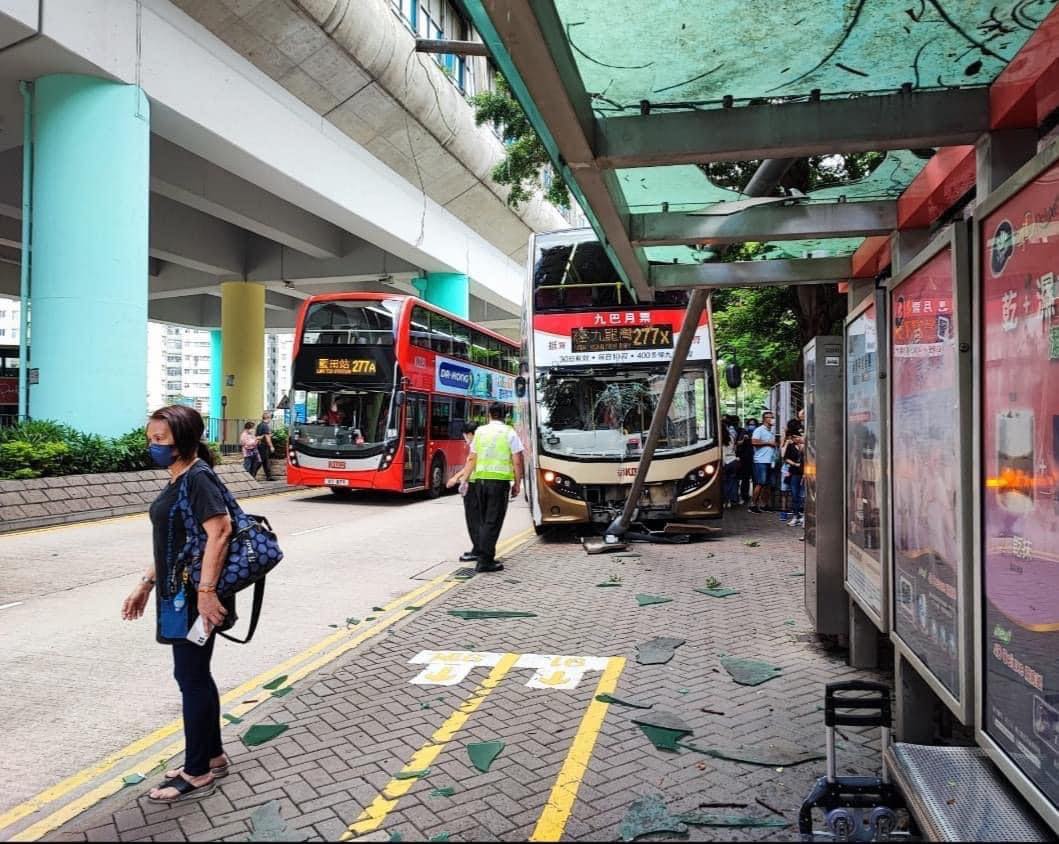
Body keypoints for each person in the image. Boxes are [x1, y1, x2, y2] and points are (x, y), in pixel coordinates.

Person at [121, 405, 236, 803]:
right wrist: (146, 583)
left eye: (160, 440)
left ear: (183, 441)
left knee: (190, 679)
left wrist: (206, 594)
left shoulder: (198, 478)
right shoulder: (180, 478)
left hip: (193, 597)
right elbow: (177, 542)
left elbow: (219, 532)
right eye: (151, 439)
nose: (152, 446)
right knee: (196, 676)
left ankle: (198, 770)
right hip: (179, 593)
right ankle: (213, 755)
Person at [462, 402, 524, 573]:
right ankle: (485, 560)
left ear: (489, 414)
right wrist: (517, 483)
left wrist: (464, 480)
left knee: (483, 521)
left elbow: (471, 458)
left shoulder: (480, 431)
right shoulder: (509, 432)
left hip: (480, 482)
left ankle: (482, 554)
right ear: (504, 415)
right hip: (499, 483)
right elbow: (517, 460)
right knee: (493, 522)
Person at [446, 421, 481, 563]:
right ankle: (478, 548)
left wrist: (461, 480)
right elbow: (469, 465)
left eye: (465, 436)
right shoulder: (483, 444)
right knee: (479, 520)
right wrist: (455, 477)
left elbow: (470, 465)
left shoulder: (475, 445)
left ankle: (478, 550)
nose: (465, 439)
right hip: (479, 484)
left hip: (473, 485)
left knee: (473, 520)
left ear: (471, 434)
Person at [749, 411, 777, 514]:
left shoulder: (771, 431)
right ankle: (753, 505)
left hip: (770, 460)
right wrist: (768, 443)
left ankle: (764, 505)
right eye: (770, 417)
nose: (772, 419)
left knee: (768, 484)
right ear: (765, 419)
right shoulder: (759, 430)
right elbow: (754, 442)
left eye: (772, 417)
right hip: (761, 460)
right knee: (760, 483)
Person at [784, 429, 805, 527]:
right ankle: (795, 516)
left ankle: (804, 517)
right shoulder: (791, 446)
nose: (797, 438)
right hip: (794, 472)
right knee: (795, 495)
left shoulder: (806, 446)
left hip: (805, 474)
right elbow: (786, 458)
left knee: (804, 496)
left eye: (798, 436)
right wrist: (795, 464)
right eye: (794, 437)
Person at [736, 418, 755, 505]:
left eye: (753, 424)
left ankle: (755, 496)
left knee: (755, 479)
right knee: (745, 478)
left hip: (755, 458)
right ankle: (745, 495)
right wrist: (744, 439)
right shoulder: (744, 432)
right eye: (750, 424)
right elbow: (738, 443)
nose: (752, 426)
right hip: (746, 459)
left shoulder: (757, 432)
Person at [721, 425, 740, 508]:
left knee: (724, 482)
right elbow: (734, 449)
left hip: (724, 462)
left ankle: (725, 501)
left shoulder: (718, 438)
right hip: (733, 460)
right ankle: (731, 500)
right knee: (732, 482)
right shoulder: (731, 437)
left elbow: (722, 452)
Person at [256, 411, 275, 481]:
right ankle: (251, 475)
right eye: (271, 418)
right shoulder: (265, 426)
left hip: (260, 445)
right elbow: (267, 437)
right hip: (263, 446)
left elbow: (260, 435)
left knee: (265, 461)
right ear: (268, 418)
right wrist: (271, 446)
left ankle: (269, 476)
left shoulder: (259, 425)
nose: (271, 420)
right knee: (260, 461)